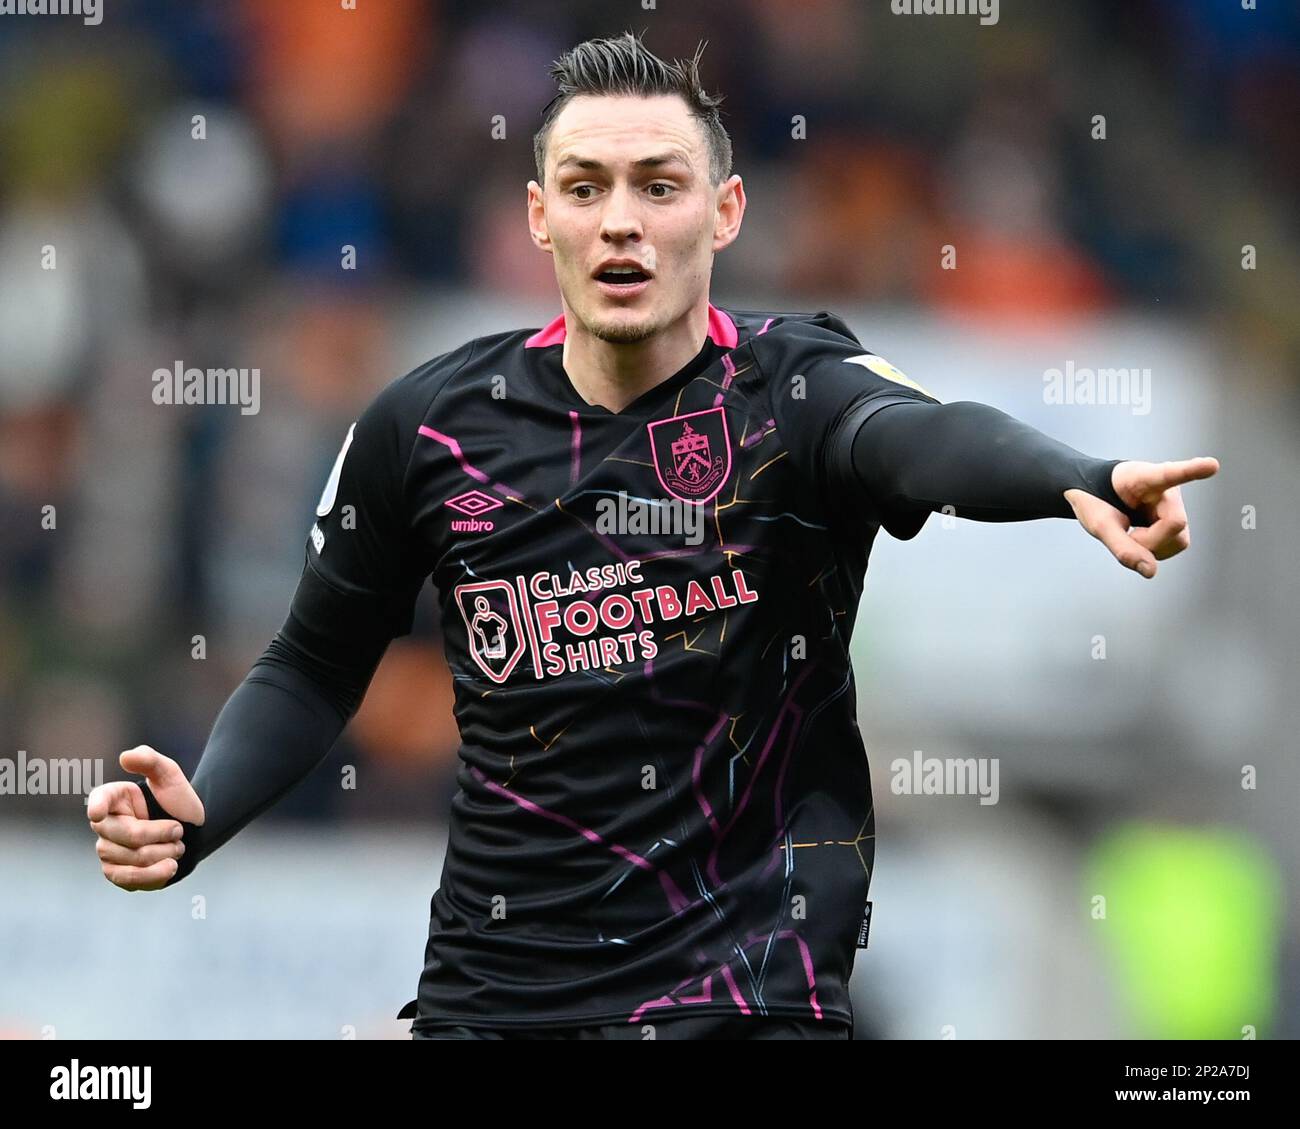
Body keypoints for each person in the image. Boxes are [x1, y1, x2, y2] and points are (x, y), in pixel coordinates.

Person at [87, 31, 1217, 1041]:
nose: (619, 217)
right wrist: (204, 808)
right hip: (494, 1001)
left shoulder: (797, 391)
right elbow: (311, 664)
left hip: (746, 996)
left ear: (722, 211)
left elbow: (920, 442)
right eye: (584, 187)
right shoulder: (427, 428)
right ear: (540, 217)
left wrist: (1074, 474)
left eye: (656, 185)